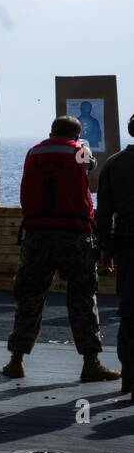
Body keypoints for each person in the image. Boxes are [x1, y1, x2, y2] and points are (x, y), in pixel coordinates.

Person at [3, 116, 120, 382]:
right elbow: (90, 166)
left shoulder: (34, 152)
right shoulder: (80, 151)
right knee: (82, 299)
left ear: (51, 131)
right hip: (73, 235)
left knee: (29, 298)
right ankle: (91, 362)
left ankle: (16, 360)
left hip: (37, 235)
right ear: (76, 135)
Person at [97, 115, 134, 397]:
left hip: (126, 246)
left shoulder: (114, 163)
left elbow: (104, 212)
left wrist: (105, 249)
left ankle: (129, 378)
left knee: (129, 314)